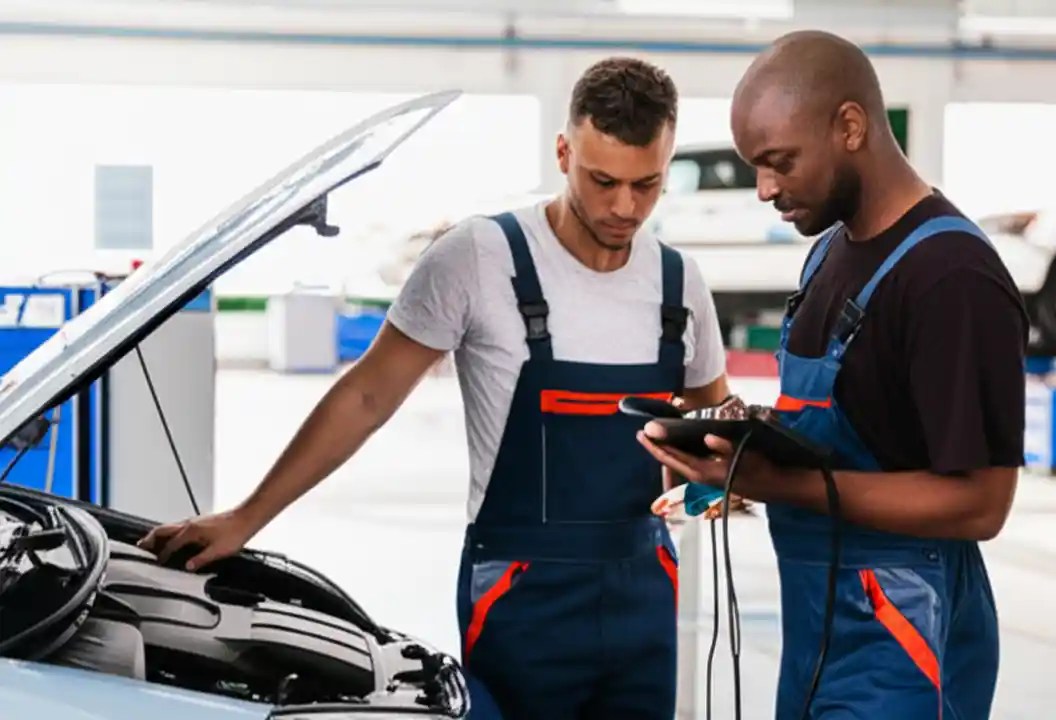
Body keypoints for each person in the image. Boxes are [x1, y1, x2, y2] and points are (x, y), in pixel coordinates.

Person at [139, 56, 730, 720]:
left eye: (646, 184)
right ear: (563, 152)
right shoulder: (480, 258)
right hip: (521, 593)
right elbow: (366, 397)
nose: (625, 207)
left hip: (644, 593)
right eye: (603, 181)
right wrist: (246, 516)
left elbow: (716, 424)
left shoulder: (681, 286)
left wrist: (727, 473)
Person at [638, 31, 1027, 719]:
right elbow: (861, 422)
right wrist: (747, 445)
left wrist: (782, 482)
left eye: (779, 162)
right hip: (820, 632)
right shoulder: (828, 258)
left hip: (909, 636)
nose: (764, 189)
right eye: (755, 166)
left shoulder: (950, 278)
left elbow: (980, 503)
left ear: (850, 127)